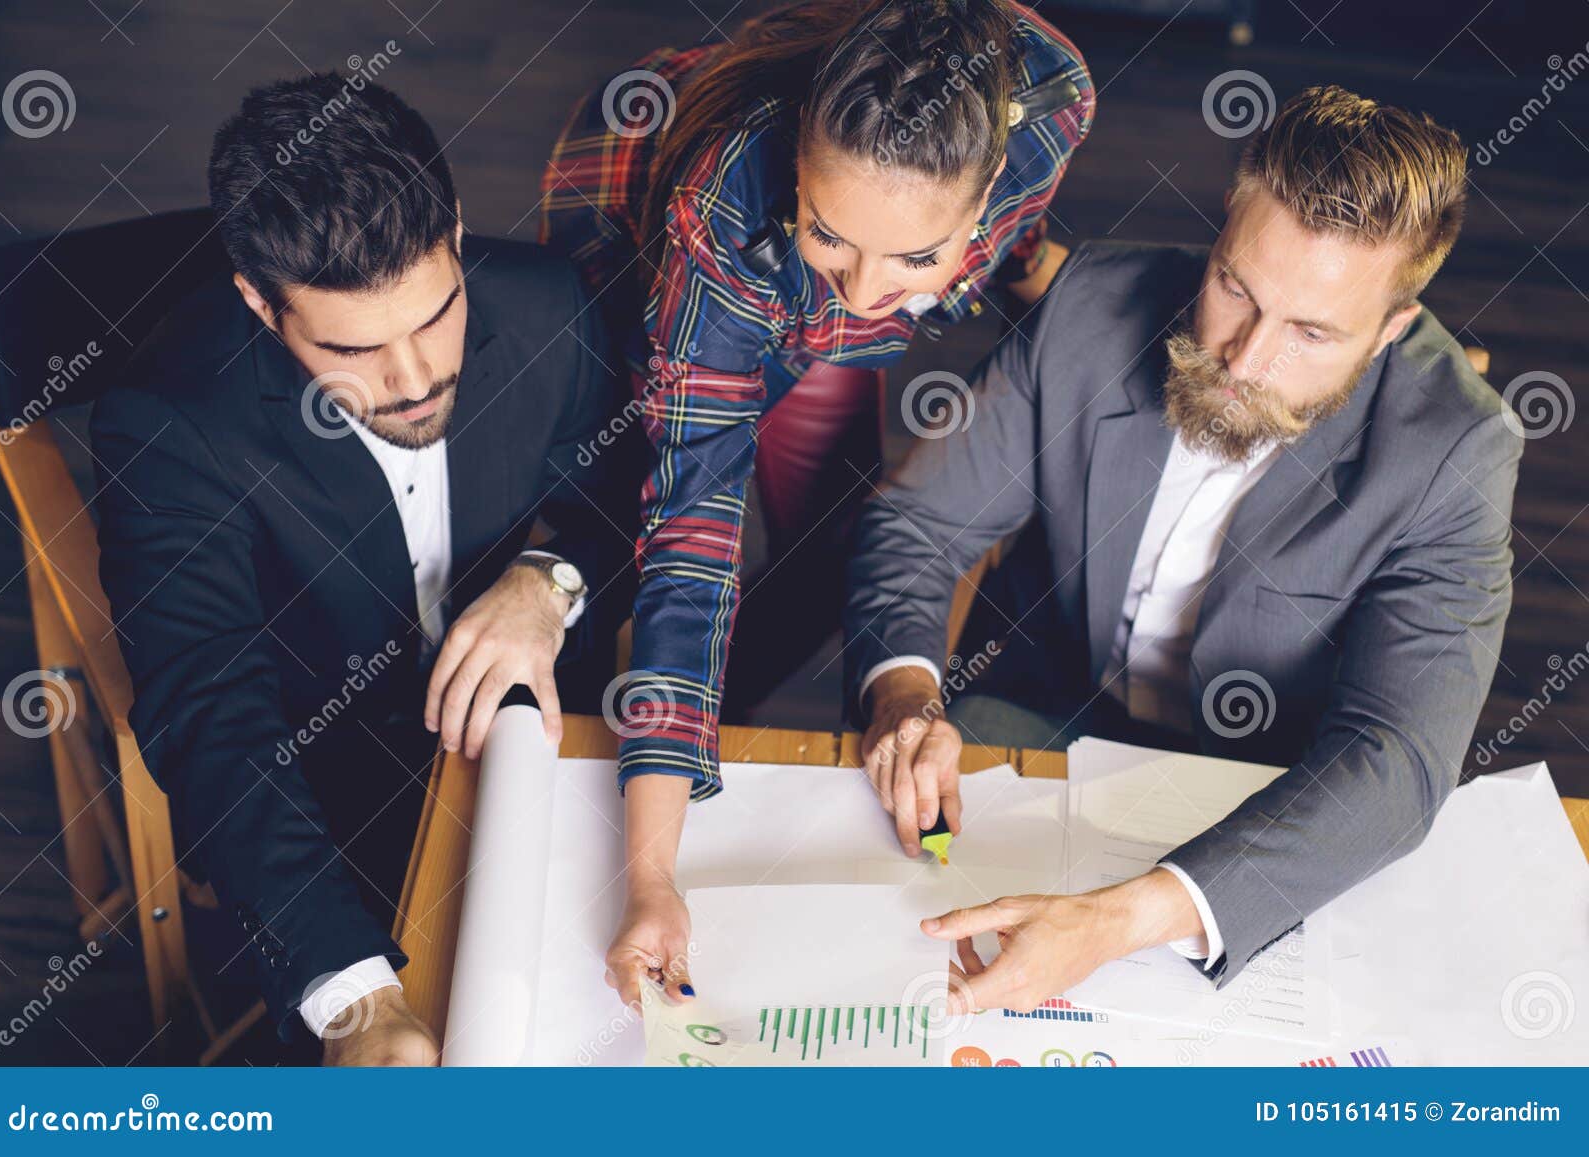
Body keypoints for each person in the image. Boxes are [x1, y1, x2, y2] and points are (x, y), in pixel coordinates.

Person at [844, 85, 1520, 1012]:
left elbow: (1395, 758)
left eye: (1312, 333)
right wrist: (906, 693)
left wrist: (1126, 918)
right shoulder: (1087, 304)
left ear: (1393, 329)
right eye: (1236, 288)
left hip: (1265, 799)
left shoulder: (1458, 447)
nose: (1244, 361)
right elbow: (918, 523)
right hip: (1043, 726)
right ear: (1221, 235)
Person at [539, 0, 1094, 1009]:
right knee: (626, 502)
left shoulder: (1054, 104)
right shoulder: (722, 210)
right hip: (640, 210)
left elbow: (1004, 233)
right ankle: (645, 727)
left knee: (841, 539)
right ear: (798, 170)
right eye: (833, 236)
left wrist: (1045, 291)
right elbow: (692, 535)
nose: (867, 294)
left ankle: (726, 717)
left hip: (824, 259)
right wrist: (653, 873)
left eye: (915, 259)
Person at [91, 75, 636, 1062]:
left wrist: (546, 582)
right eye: (355, 348)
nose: (416, 375)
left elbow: (619, 506)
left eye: (435, 317)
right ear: (261, 303)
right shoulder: (167, 420)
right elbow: (213, 706)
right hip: (326, 801)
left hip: (549, 741)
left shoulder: (548, 301)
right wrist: (354, 998)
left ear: (458, 232)